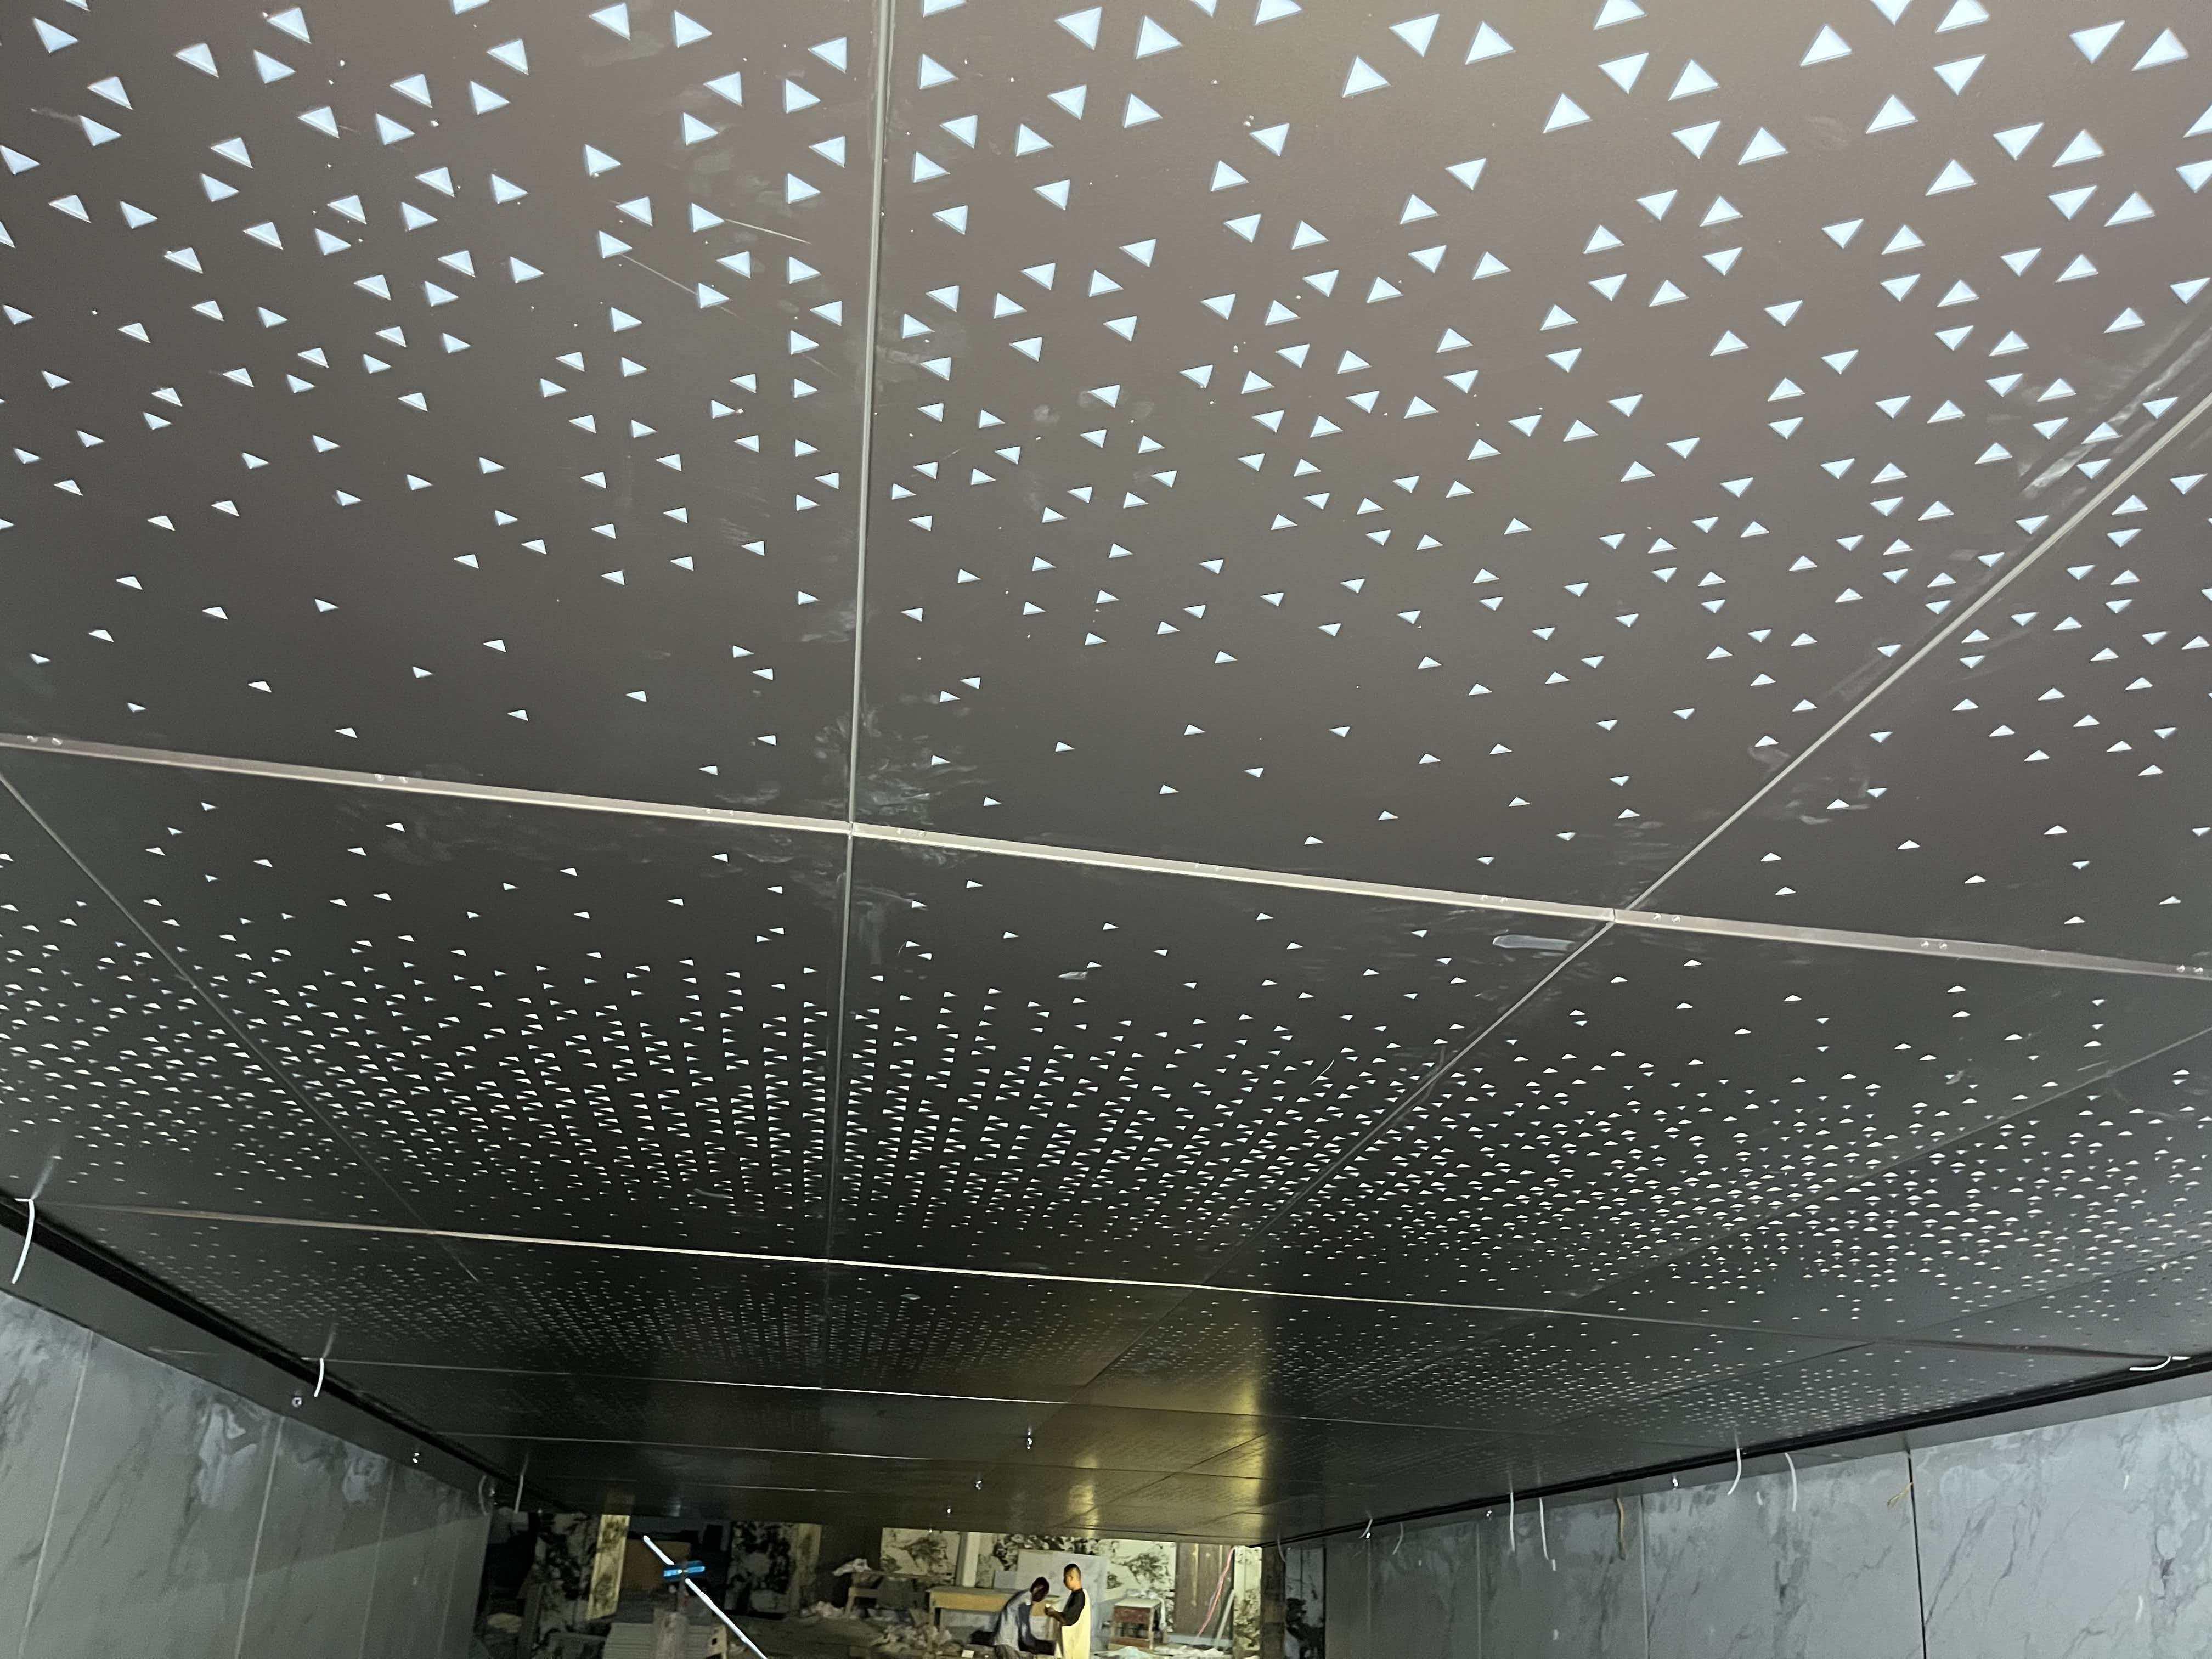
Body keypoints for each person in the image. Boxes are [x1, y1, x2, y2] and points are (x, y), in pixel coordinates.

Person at [982, 1577, 1055, 1657]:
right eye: (1044, 1594)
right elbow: (1024, 1628)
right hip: (1006, 1642)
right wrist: (1034, 1644)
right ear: (1037, 1589)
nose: (1043, 1597)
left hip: (1005, 1642)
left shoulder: (1023, 1597)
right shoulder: (1026, 1600)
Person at [1047, 1564, 1091, 1659]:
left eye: (1065, 1578)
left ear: (1071, 1577)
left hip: (1074, 1650)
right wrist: (1054, 1613)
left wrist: (1053, 1613)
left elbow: (1066, 1620)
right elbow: (1068, 1616)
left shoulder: (1079, 1597)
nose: (1064, 1581)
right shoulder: (1076, 1595)